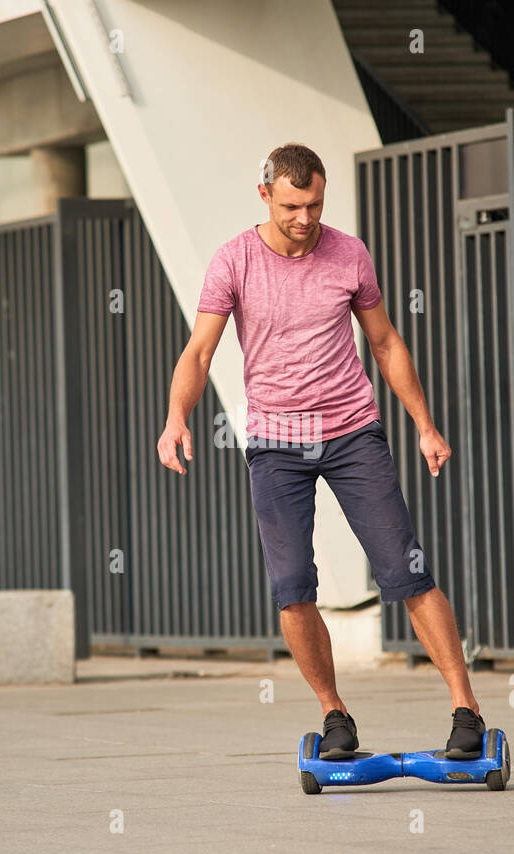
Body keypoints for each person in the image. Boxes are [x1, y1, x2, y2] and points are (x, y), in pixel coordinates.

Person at [156, 142, 486, 759]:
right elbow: (199, 351)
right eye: (290, 206)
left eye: (314, 204)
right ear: (264, 197)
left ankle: (465, 707)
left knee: (406, 569)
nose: (304, 219)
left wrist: (425, 425)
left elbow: (385, 343)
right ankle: (335, 715)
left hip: (354, 432)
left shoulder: (348, 253)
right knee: (292, 586)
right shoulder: (234, 261)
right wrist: (177, 418)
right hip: (277, 445)